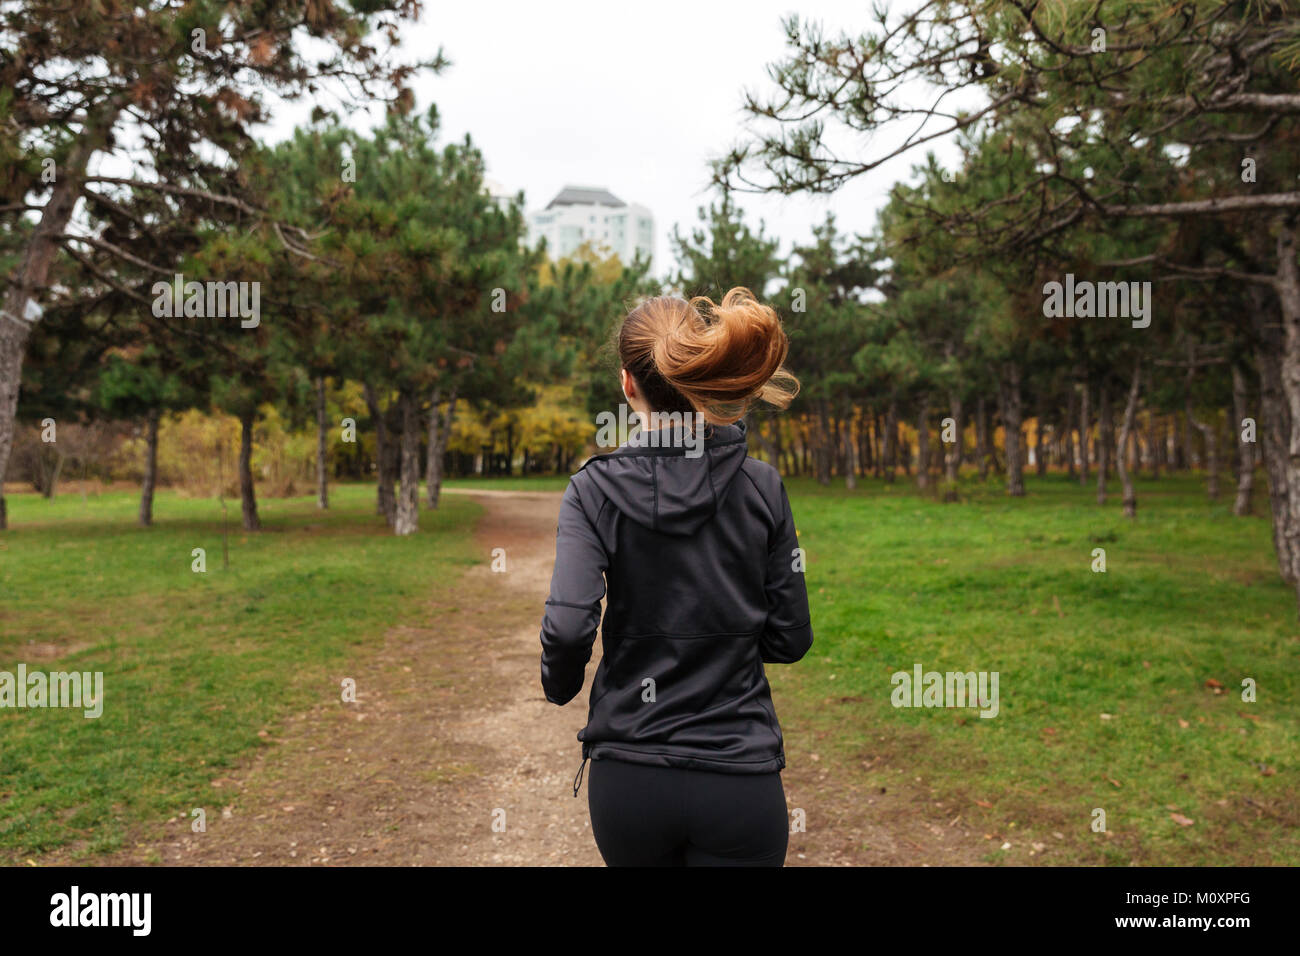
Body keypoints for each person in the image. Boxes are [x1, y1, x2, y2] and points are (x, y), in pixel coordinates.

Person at [538, 287, 813, 867]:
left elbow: (567, 629)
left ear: (628, 385)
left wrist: (560, 687)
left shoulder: (592, 490)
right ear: (703, 372)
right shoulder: (762, 486)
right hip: (739, 778)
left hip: (629, 780)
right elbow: (790, 638)